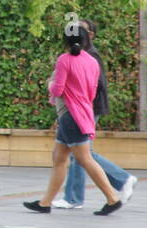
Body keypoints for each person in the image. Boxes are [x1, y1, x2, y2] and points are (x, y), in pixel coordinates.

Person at [24, 25, 124, 216]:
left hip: (71, 115)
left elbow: (58, 90)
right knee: (59, 157)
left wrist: (50, 85)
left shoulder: (64, 60)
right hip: (83, 113)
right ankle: (45, 203)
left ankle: (112, 198)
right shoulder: (92, 61)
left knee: (84, 158)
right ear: (87, 39)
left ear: (65, 41)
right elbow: (93, 91)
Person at [51, 20, 138, 209]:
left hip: (84, 109)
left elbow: (93, 87)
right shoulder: (85, 55)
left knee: (83, 154)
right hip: (84, 108)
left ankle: (120, 180)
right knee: (72, 154)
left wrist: (56, 88)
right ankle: (71, 198)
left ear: (90, 34)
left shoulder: (88, 56)